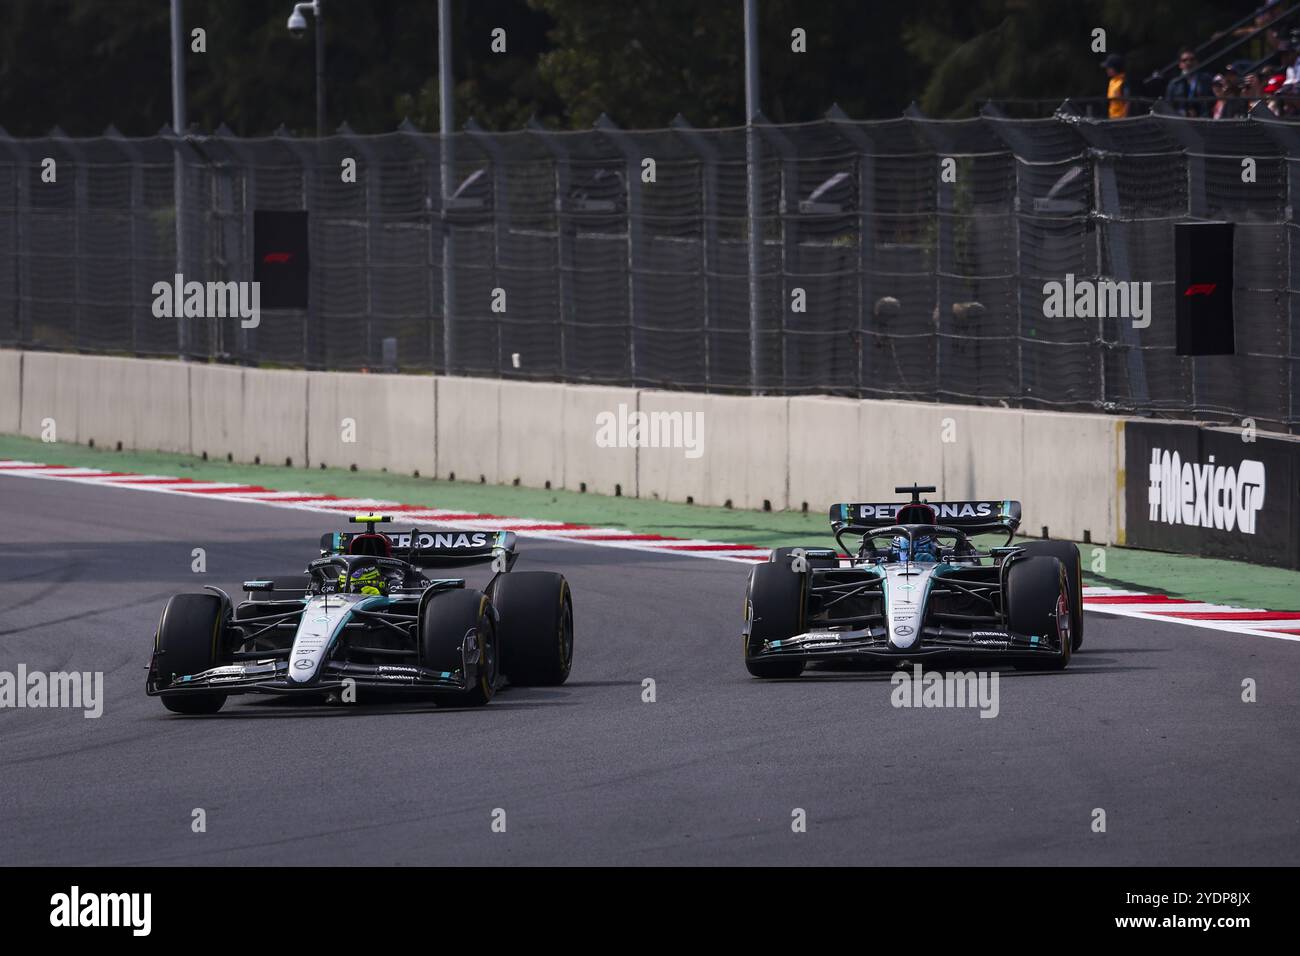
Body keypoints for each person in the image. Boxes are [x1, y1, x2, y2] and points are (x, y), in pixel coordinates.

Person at [1166, 48, 1214, 116]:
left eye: (1192, 59)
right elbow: (1169, 106)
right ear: (1180, 64)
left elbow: (1212, 101)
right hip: (1180, 122)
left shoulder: (1206, 79)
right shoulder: (1174, 84)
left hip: (1202, 120)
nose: (1188, 62)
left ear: (1197, 62)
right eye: (1184, 60)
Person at [1102, 53, 1131, 118]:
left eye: (1109, 68)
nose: (1107, 70)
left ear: (1116, 68)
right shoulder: (1112, 81)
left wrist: (1123, 119)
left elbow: (1127, 102)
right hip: (1112, 118)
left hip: (1121, 120)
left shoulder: (1123, 82)